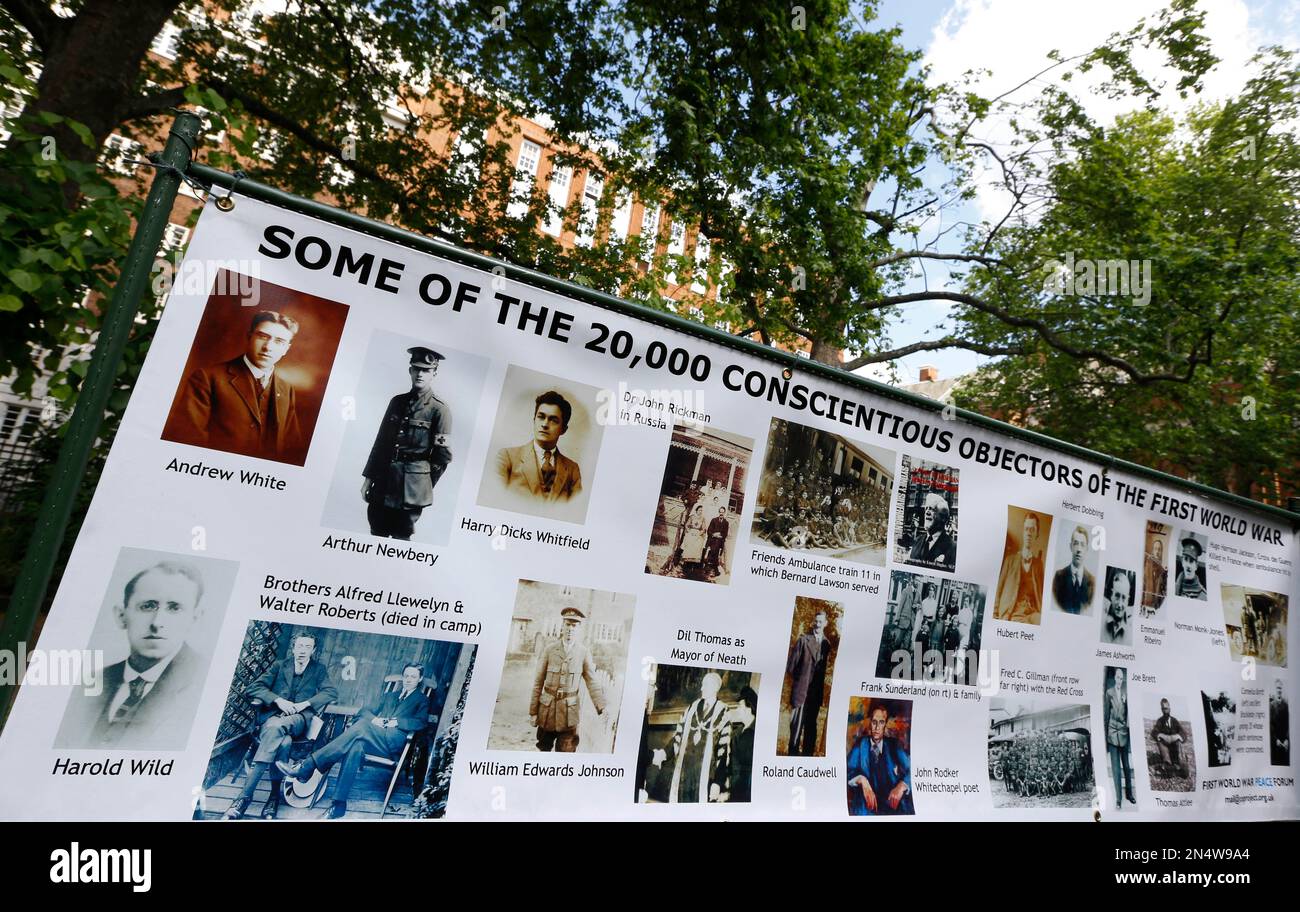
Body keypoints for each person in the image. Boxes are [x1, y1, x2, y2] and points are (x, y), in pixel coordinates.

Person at [56, 561, 208, 750]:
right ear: (121, 616)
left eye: (174, 608)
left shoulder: (205, 684)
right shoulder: (88, 683)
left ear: (194, 618)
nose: (157, 622)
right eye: (148, 606)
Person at [278, 663, 431, 818]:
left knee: (362, 726)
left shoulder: (422, 700)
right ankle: (338, 805)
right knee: (355, 747)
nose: (408, 680)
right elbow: (363, 711)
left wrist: (396, 722)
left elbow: (421, 722)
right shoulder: (389, 696)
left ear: (420, 679)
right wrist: (376, 720)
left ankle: (308, 766)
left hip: (392, 744)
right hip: (372, 739)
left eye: (413, 676)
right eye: (406, 676)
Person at [165, 311, 305, 462]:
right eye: (262, 337)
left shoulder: (286, 390)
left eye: (279, 341)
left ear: (286, 349)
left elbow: (292, 449)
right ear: (249, 337)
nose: (268, 347)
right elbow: (187, 439)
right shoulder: (207, 377)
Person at [225, 632, 338, 819]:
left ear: (313, 651)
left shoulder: (318, 670)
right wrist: (278, 700)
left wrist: (305, 704)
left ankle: (243, 798)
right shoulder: (279, 666)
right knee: (283, 742)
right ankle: (273, 798)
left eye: (307, 647)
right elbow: (253, 687)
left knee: (276, 728)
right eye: (300, 646)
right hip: (273, 718)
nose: (303, 651)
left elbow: (331, 692)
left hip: (298, 719)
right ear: (293, 648)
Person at [362, 347, 453, 540]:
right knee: (375, 532)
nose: (420, 374)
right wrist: (368, 479)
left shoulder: (440, 409)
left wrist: (422, 484)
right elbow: (380, 444)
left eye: (426, 370)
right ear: (410, 370)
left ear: (434, 373)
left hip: (411, 491)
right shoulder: (397, 402)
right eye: (416, 368)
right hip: (383, 482)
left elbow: (442, 457)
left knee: (401, 537)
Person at [529, 607, 607, 752]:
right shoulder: (549, 650)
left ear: (579, 629)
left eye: (574, 625)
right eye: (567, 624)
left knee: (565, 755)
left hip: (569, 715)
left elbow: (592, 682)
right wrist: (533, 712)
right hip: (547, 712)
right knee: (543, 750)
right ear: (562, 626)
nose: (570, 629)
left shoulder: (583, 653)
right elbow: (538, 682)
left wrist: (601, 706)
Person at [650, 672, 732, 803]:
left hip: (706, 776)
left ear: (715, 687)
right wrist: (664, 754)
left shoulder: (723, 712)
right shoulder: (692, 708)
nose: (701, 688)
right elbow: (678, 736)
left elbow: (723, 750)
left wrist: (718, 782)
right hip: (684, 772)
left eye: (705, 685)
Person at [495, 390, 582, 502]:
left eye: (553, 420)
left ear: (563, 429)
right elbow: (495, 499)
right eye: (541, 417)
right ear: (534, 420)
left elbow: (575, 510)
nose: (545, 424)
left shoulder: (572, 469)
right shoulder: (507, 457)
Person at [846, 704, 913, 815]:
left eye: (881, 722)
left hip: (892, 808)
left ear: (885, 724)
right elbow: (846, 771)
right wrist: (862, 780)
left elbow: (913, 770)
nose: (877, 727)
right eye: (874, 722)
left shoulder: (894, 745)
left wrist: (902, 785)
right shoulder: (861, 745)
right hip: (867, 808)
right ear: (870, 723)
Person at [785, 610, 833, 756]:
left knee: (811, 730)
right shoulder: (803, 640)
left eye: (821, 622)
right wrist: (801, 682)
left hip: (815, 696)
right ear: (814, 622)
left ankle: (807, 760)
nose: (818, 624)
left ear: (825, 623)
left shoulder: (826, 644)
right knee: (796, 731)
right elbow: (791, 667)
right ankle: (791, 759)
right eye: (816, 621)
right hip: (801, 693)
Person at [995, 512, 1047, 625]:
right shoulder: (1010, 560)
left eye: (1032, 530)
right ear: (1023, 532)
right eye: (1026, 529)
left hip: (1032, 612)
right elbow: (998, 591)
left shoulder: (1039, 565)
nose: (1029, 533)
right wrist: (995, 616)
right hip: (1013, 612)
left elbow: (1042, 594)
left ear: (1037, 534)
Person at [1105, 668, 1136, 808]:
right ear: (1114, 678)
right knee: (1116, 768)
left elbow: (1129, 714)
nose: (1119, 680)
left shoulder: (1125, 694)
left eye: (1121, 678)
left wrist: (1126, 702)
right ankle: (1118, 799)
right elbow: (1106, 714)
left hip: (1123, 733)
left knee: (1127, 766)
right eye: (1118, 677)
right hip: (1112, 733)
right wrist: (1106, 735)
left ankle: (1129, 794)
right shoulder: (1109, 693)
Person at [1052, 525, 1095, 614]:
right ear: (1070, 546)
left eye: (1082, 545)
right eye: (1076, 543)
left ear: (1087, 549)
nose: (1079, 549)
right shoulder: (1059, 577)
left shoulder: (1092, 582)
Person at [908, 493, 956, 569]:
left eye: (932, 509)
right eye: (926, 508)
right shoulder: (917, 541)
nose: (927, 512)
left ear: (943, 518)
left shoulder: (953, 548)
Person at [1151, 698, 1187, 778]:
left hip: (1175, 748)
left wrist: (1178, 736)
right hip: (1165, 749)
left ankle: (1180, 765)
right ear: (1161, 710)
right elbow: (1154, 732)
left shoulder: (1174, 721)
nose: (1165, 711)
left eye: (1166, 708)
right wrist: (1160, 735)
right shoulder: (1160, 721)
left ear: (1170, 708)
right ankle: (1168, 765)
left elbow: (1183, 733)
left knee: (1179, 740)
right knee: (1159, 740)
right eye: (1163, 709)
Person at [1102, 570, 1133, 645]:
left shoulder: (1131, 630)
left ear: (1127, 601)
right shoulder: (1100, 617)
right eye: (1117, 596)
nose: (1120, 604)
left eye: (1124, 598)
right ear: (1111, 596)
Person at [1141, 536, 1167, 616]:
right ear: (1152, 551)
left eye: (1159, 549)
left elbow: (1164, 593)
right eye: (1155, 549)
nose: (1157, 552)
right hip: (1144, 607)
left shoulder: (1163, 572)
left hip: (1156, 610)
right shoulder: (1145, 568)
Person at [703, 506, 731, 578]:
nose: (721, 513)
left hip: (720, 541)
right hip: (712, 540)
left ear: (724, 513)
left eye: (723, 512)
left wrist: (719, 536)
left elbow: (725, 534)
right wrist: (714, 534)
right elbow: (709, 531)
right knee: (713, 548)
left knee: (716, 548)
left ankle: (711, 568)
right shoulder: (714, 520)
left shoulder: (726, 523)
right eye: (720, 512)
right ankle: (712, 569)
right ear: (719, 512)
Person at [1270, 679, 1289, 766]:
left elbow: (1288, 724)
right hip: (1275, 744)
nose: (1279, 690)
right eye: (1277, 688)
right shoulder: (1271, 706)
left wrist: (1286, 739)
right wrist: (1275, 740)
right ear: (1274, 689)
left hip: (1285, 743)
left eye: (1280, 688)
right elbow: (1270, 726)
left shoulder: (1286, 705)